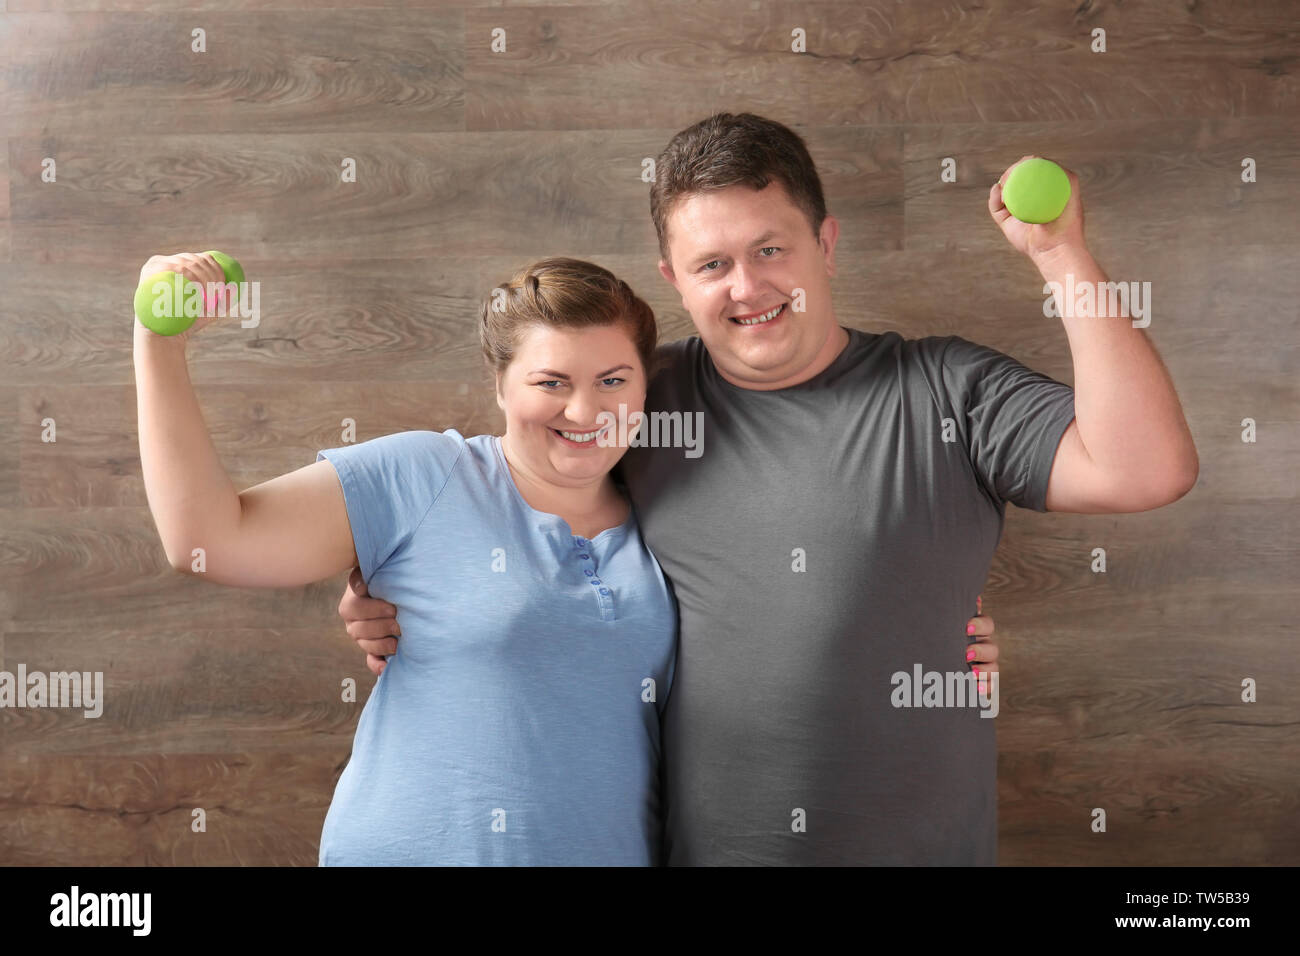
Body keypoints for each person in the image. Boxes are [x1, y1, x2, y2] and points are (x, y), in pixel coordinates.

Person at [341, 113, 1197, 865]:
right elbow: (501, 492)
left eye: (770, 249)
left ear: (824, 244)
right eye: (712, 262)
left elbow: (1146, 468)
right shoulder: (634, 397)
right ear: (675, 279)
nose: (746, 287)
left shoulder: (946, 389)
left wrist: (1060, 253)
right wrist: (396, 595)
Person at [134, 255, 678, 864]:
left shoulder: (668, 517)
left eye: (613, 380)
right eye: (551, 382)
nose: (584, 412)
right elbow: (206, 540)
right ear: (500, 385)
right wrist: (159, 344)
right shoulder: (426, 475)